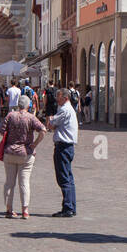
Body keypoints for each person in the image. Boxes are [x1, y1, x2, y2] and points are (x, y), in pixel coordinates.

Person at [0, 94, 47, 219]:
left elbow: (1, 131)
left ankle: (9, 209)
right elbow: (43, 130)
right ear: (28, 105)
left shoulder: (10, 115)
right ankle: (25, 210)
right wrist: (34, 144)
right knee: (24, 182)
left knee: (9, 182)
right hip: (25, 153)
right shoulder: (31, 117)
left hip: (9, 152)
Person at [46, 87, 79, 217]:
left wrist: (51, 120)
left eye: (58, 97)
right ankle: (71, 206)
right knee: (68, 178)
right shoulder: (67, 109)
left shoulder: (65, 110)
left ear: (65, 98)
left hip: (63, 146)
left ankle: (68, 208)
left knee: (64, 177)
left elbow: (51, 124)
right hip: (67, 146)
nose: (56, 99)